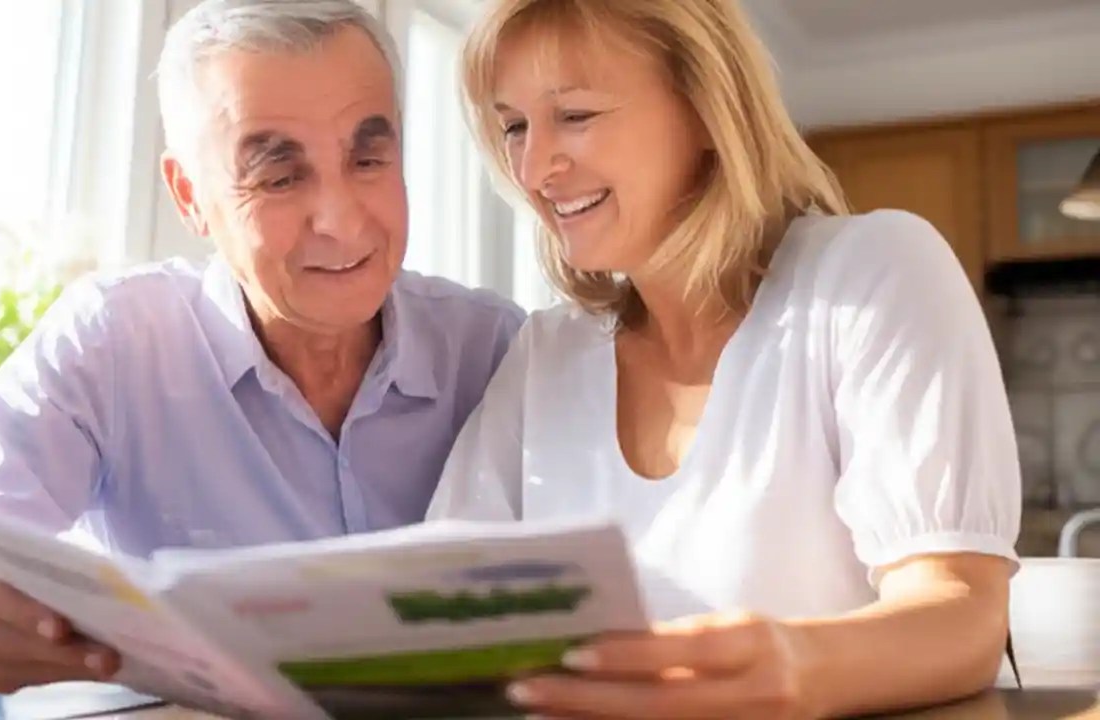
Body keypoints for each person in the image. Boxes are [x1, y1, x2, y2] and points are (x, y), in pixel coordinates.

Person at [0, 0, 523, 693]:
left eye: (369, 158)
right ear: (190, 196)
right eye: (279, 176)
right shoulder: (117, 341)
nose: (341, 221)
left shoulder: (499, 352)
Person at [427, 0, 1020, 717]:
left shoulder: (871, 274)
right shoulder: (543, 355)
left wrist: (796, 664)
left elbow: (962, 616)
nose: (532, 166)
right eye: (514, 126)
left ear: (707, 110)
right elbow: (434, 616)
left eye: (575, 115)